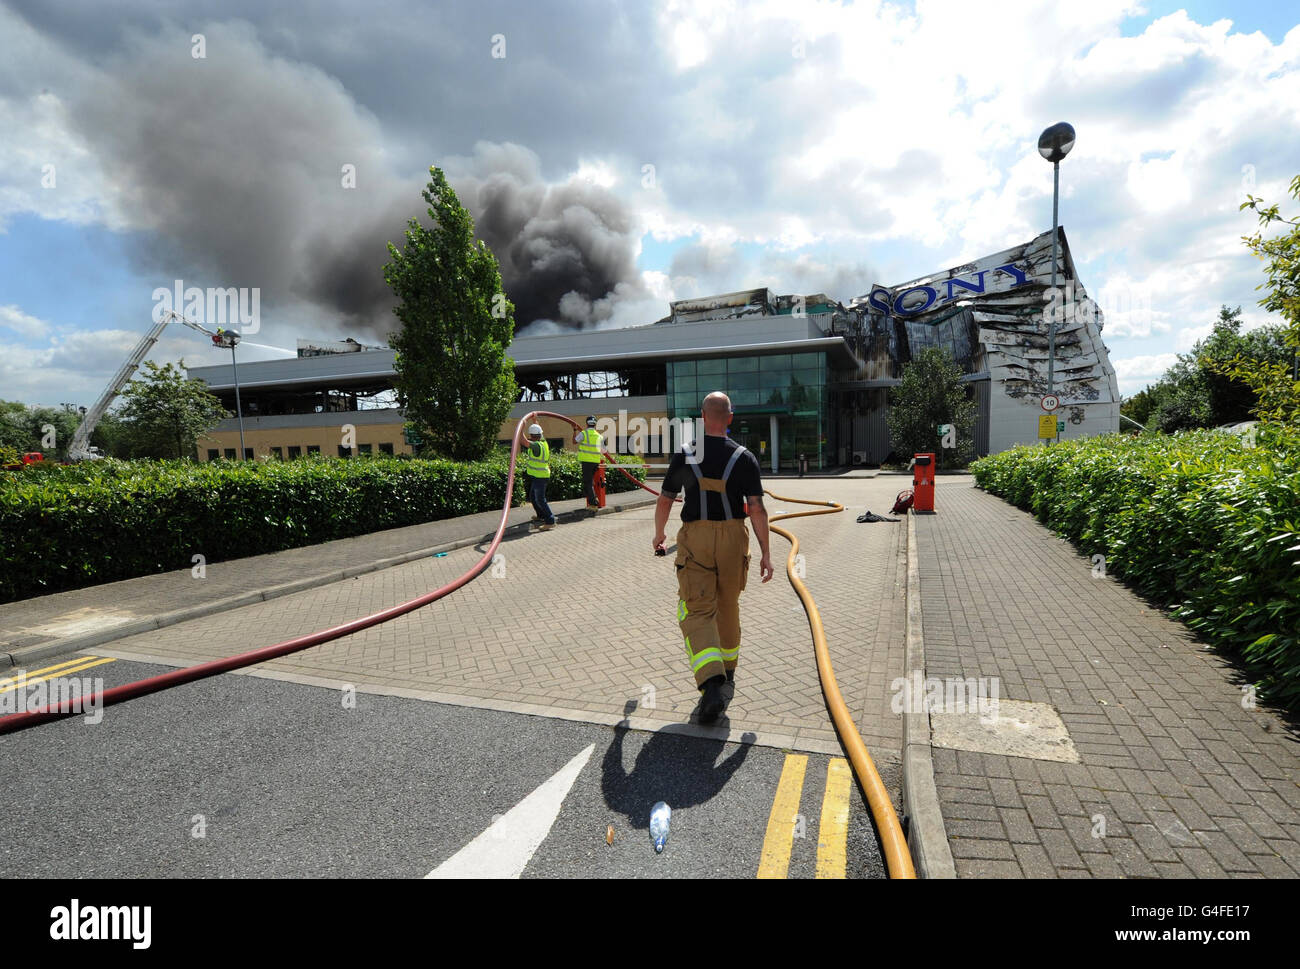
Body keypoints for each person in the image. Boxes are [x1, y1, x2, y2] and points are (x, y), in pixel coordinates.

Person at [652, 392, 774, 723]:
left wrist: (659, 534)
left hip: (697, 539)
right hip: (735, 537)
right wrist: (766, 553)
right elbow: (757, 509)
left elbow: (665, 500)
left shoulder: (686, 455)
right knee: (728, 603)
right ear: (730, 419)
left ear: (703, 418)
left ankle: (711, 682)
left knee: (696, 608)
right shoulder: (746, 458)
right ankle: (729, 669)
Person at [520, 423, 556, 531]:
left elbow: (523, 441)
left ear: (531, 435)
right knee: (533, 497)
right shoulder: (543, 441)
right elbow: (538, 431)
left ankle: (550, 521)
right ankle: (541, 516)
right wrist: (535, 420)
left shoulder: (536, 445)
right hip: (538, 476)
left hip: (540, 476)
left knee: (540, 499)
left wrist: (521, 427)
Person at [574, 415, 604, 511]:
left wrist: (574, 431)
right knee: (590, 482)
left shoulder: (584, 433)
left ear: (587, 423)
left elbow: (574, 441)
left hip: (587, 462)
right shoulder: (599, 436)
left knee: (587, 483)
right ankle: (594, 501)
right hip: (596, 462)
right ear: (595, 424)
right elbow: (603, 450)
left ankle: (593, 504)